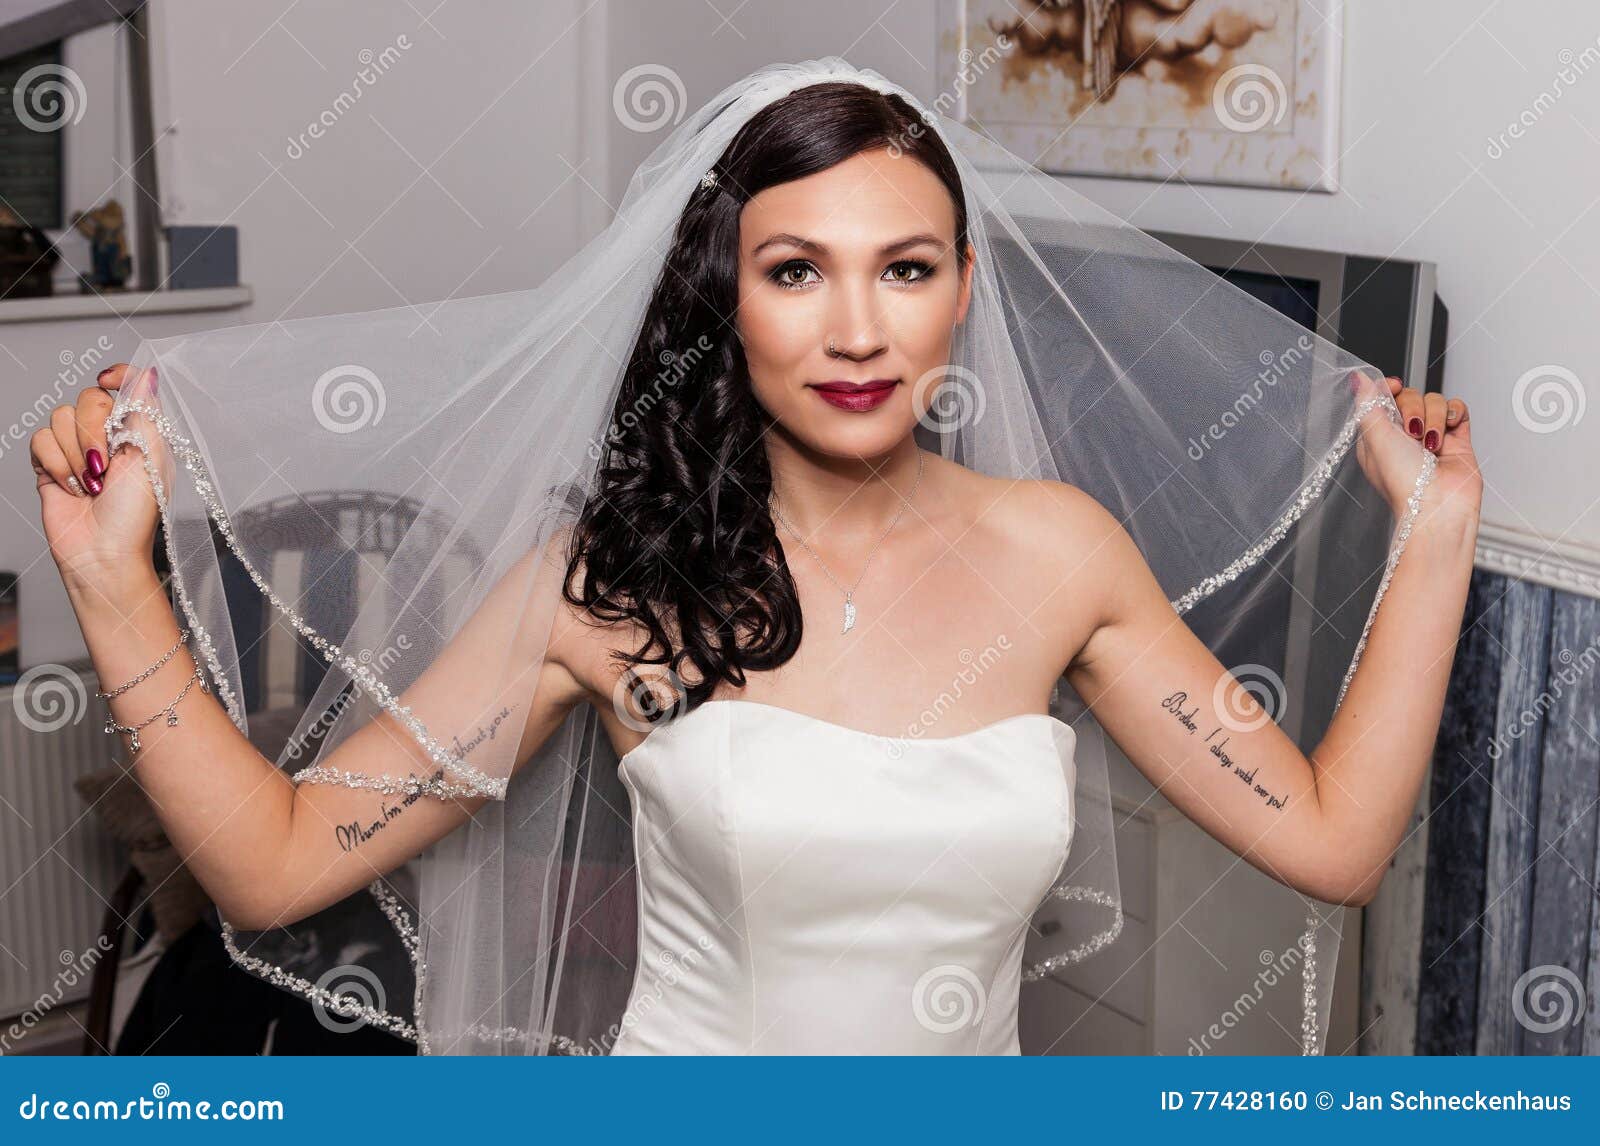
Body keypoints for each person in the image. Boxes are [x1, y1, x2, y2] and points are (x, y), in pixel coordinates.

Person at [29, 58, 1480, 1055]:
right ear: (724, 294)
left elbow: (1336, 840)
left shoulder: (1062, 558)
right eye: (796, 270)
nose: (861, 330)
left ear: (965, 290)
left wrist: (1436, 530)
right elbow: (277, 865)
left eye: (905, 268)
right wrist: (112, 581)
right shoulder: (608, 592)